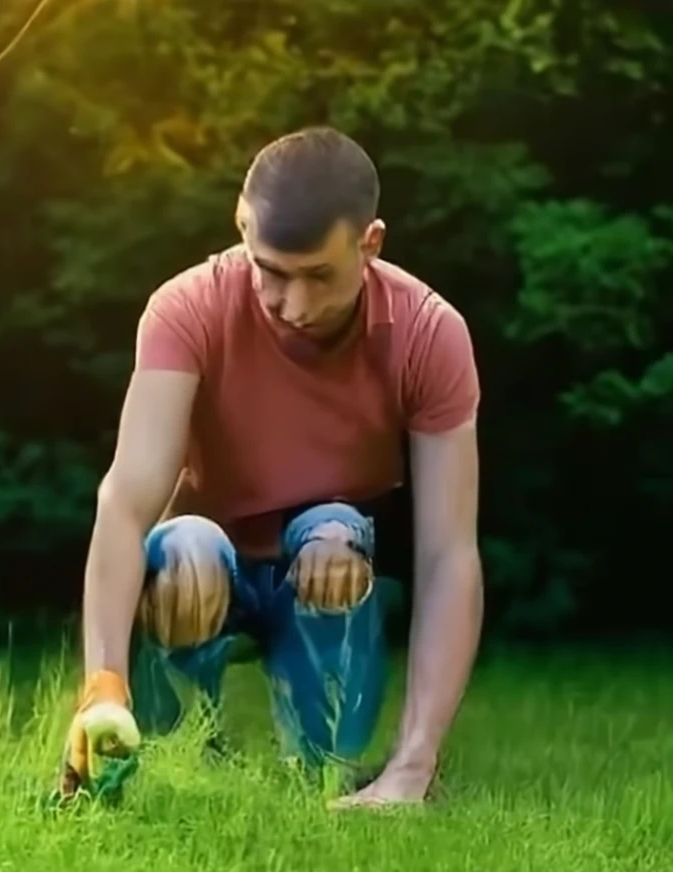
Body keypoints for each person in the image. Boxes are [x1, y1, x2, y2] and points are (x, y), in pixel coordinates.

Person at [58, 126, 483, 808]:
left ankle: (321, 761)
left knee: (336, 526)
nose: (294, 306)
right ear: (241, 225)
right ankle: (169, 751)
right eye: (272, 271)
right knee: (184, 543)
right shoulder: (186, 308)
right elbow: (127, 501)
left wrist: (413, 765)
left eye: (320, 275)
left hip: (326, 572)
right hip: (200, 575)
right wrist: (101, 682)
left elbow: (448, 554)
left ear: (369, 243)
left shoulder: (430, 333)